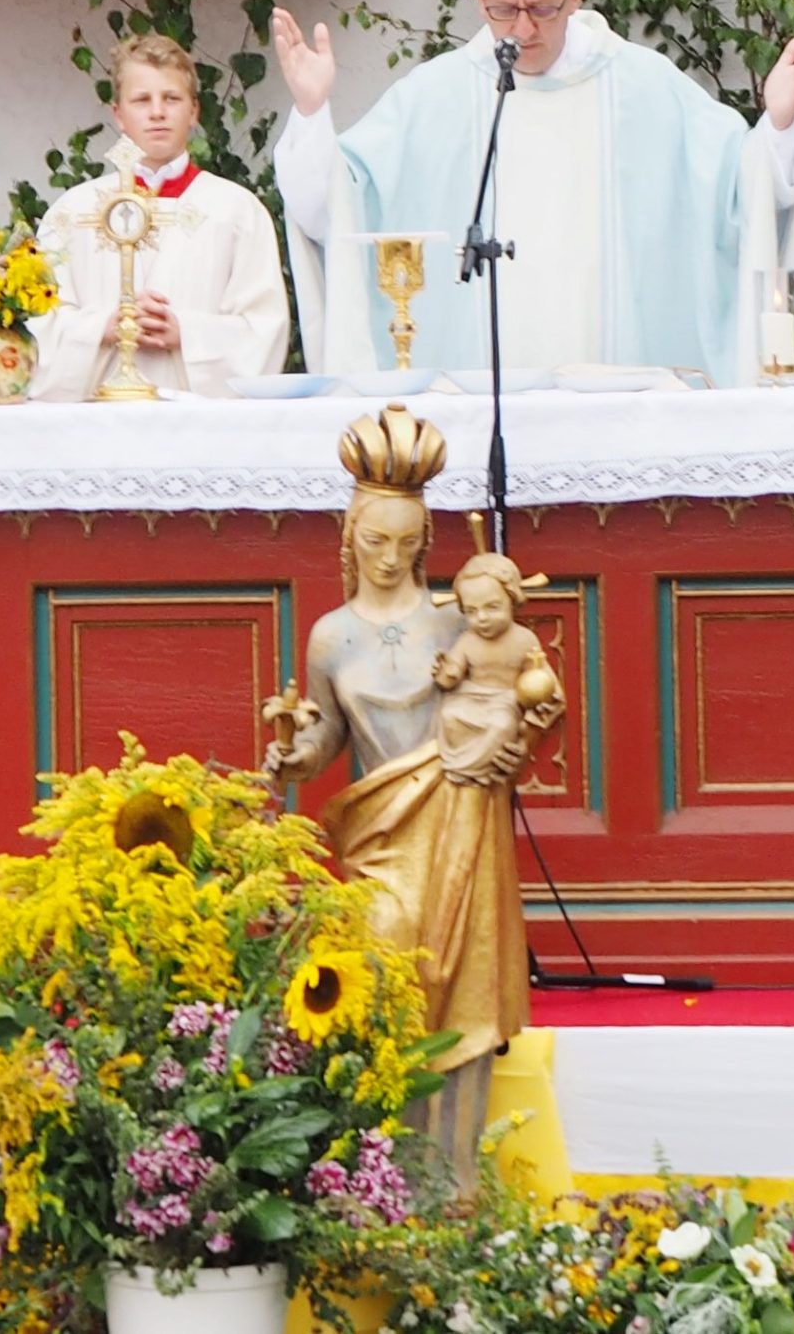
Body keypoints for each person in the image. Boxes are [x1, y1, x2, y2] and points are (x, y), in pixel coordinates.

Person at [270, 0, 794, 384]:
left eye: (542, 9)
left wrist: (775, 123)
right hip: (476, 398)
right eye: (504, 10)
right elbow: (336, 206)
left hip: (615, 396)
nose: (523, 29)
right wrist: (313, 113)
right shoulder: (435, 95)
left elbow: (740, 189)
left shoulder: (643, 86)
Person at [263, 406, 550, 1180]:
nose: (388, 557)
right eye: (373, 539)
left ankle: (450, 1174)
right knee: (383, 955)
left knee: (459, 980)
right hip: (382, 831)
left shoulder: (461, 621)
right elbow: (327, 739)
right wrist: (293, 752)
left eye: (405, 541)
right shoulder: (331, 635)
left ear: (426, 542)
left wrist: (516, 733)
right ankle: (383, 1163)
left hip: (459, 818)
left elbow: (522, 697)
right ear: (349, 538)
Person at [25, 33, 290, 399]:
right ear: (118, 113)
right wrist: (105, 326)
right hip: (95, 424)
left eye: (171, 98)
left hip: (200, 428)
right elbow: (38, 331)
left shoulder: (236, 210)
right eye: (141, 100)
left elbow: (264, 330)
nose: (157, 113)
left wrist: (185, 332)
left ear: (194, 111)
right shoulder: (72, 213)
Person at [430, 551, 563, 789]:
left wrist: (534, 702)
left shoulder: (524, 640)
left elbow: (547, 688)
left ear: (512, 600)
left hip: (503, 702)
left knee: (501, 725)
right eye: (471, 611)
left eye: (492, 607)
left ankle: (476, 770)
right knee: (449, 716)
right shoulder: (467, 640)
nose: (482, 618)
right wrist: (444, 670)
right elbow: (451, 676)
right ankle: (461, 769)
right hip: (470, 697)